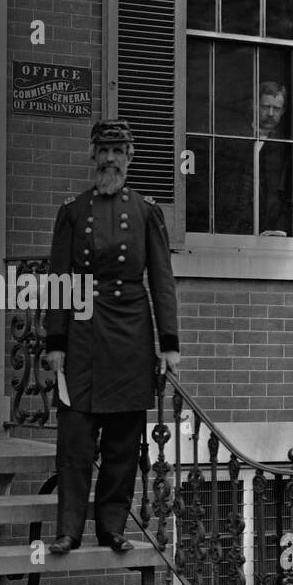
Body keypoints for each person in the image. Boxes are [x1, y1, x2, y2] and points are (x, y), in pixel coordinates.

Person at [44, 119, 181, 555]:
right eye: (103, 150)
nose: (109, 159)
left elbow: (161, 279)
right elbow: (59, 280)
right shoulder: (72, 211)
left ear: (130, 157)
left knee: (123, 441)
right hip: (83, 335)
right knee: (75, 439)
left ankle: (112, 526)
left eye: (118, 151)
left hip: (129, 335)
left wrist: (169, 344)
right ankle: (68, 529)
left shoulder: (146, 211)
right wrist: (54, 342)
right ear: (91, 155)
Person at [256, 80, 293, 236]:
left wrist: (278, 228)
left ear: (283, 110)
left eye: (276, 109)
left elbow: (287, 195)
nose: (271, 114)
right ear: (255, 104)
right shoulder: (236, 137)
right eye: (266, 107)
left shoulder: (289, 146)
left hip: (270, 230)